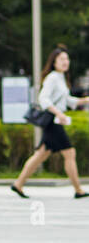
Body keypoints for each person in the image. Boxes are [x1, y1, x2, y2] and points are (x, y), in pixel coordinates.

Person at [12, 45, 88, 199]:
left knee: (41, 155)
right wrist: (58, 113)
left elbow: (66, 100)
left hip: (56, 120)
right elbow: (43, 98)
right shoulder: (53, 77)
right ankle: (78, 190)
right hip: (53, 120)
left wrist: (84, 100)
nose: (65, 62)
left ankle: (18, 184)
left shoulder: (61, 78)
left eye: (67, 59)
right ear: (54, 62)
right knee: (70, 153)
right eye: (61, 59)